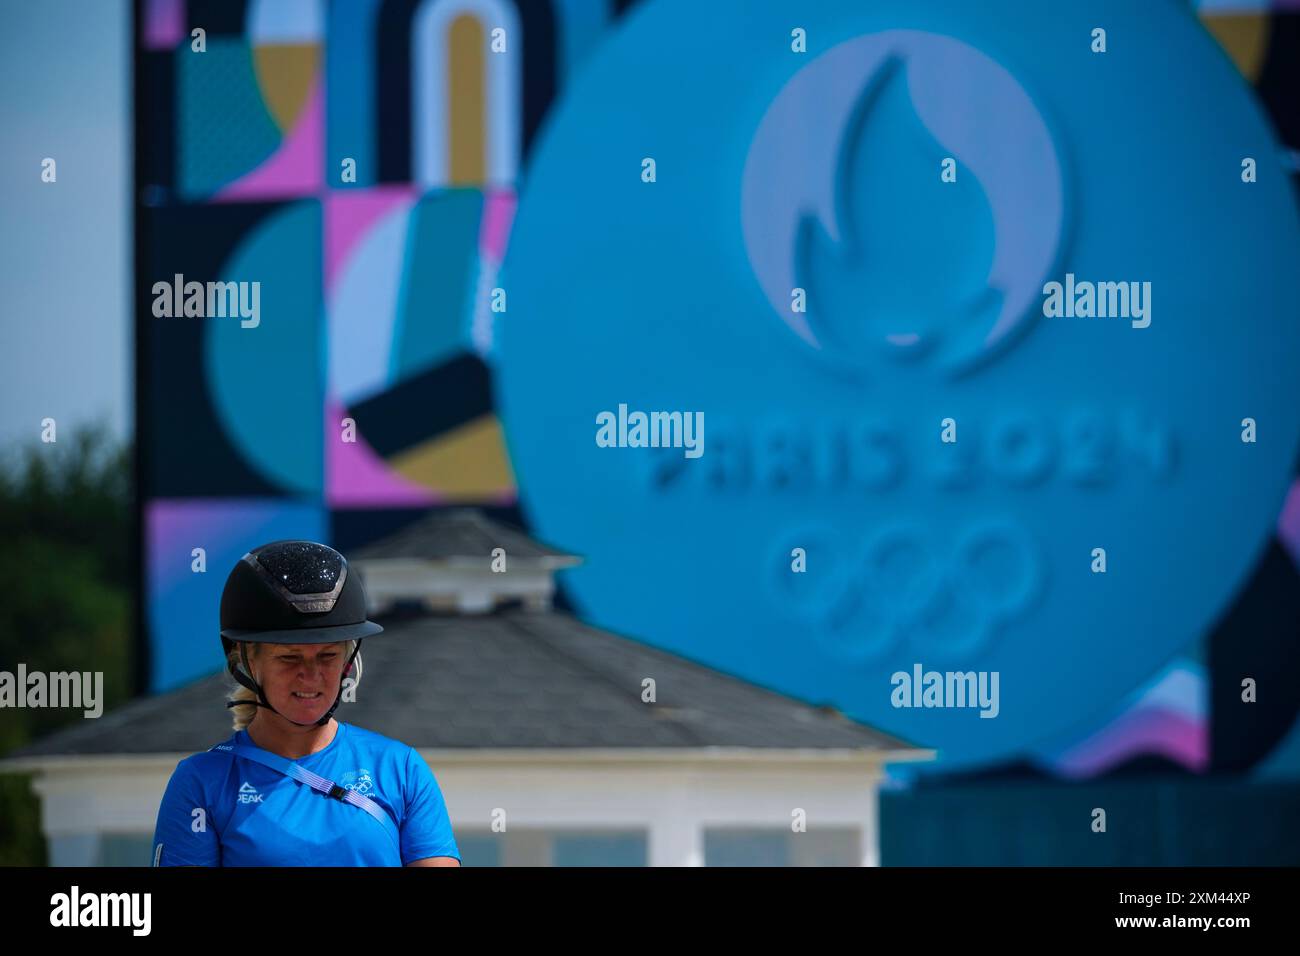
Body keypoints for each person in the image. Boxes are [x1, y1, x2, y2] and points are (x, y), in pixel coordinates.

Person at [151, 540, 461, 866]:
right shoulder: (202, 783)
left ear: (347, 661)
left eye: (327, 656)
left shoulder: (402, 770)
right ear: (246, 661)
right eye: (289, 657)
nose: (310, 675)